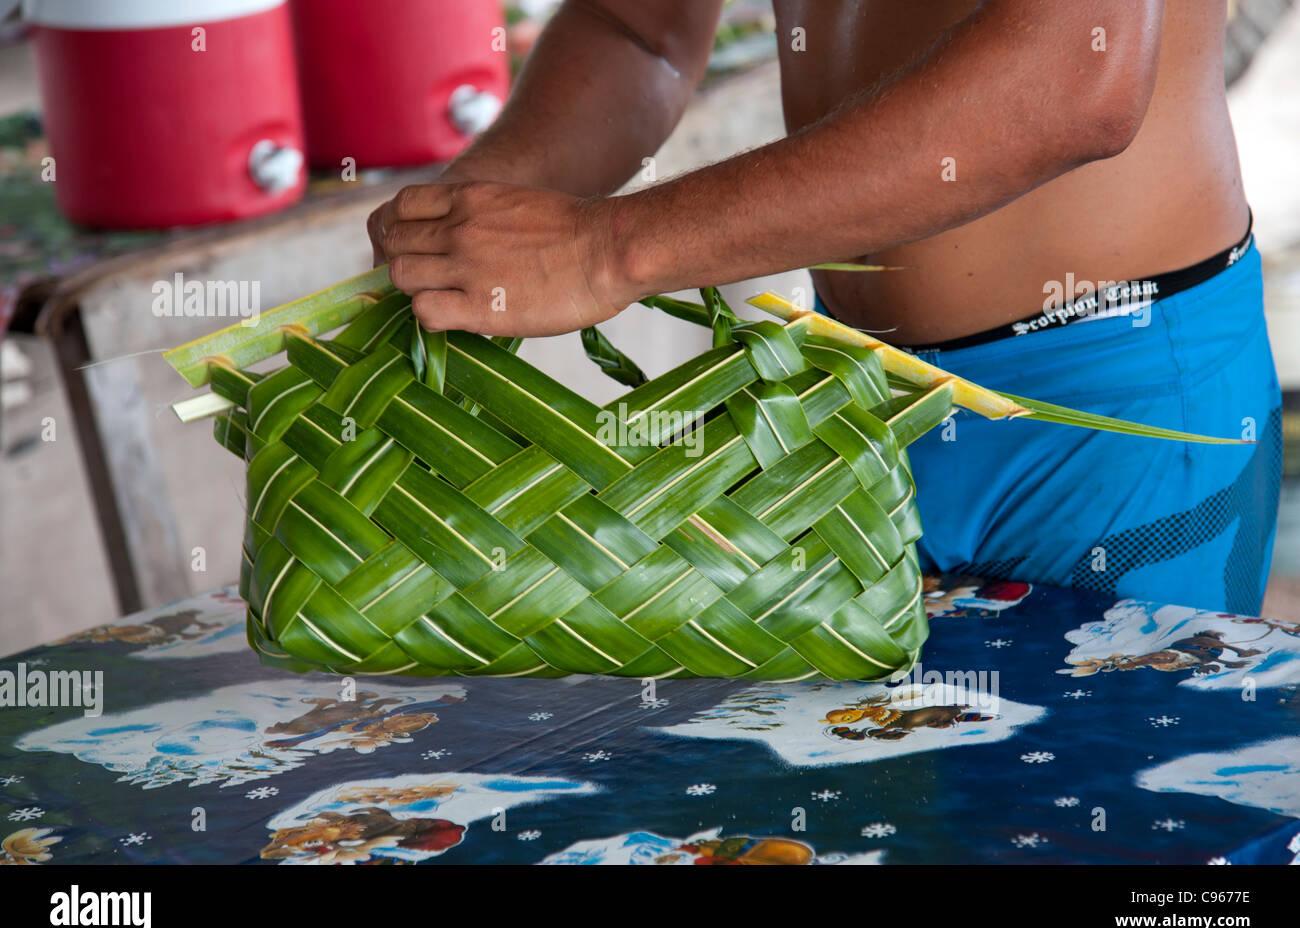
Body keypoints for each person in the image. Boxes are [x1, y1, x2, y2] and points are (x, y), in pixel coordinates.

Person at [367, 1, 1281, 615]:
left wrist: (608, 250)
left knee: (1123, 837)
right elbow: (637, 27)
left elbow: (1076, 78)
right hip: (849, 406)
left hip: (1109, 408)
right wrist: (463, 226)